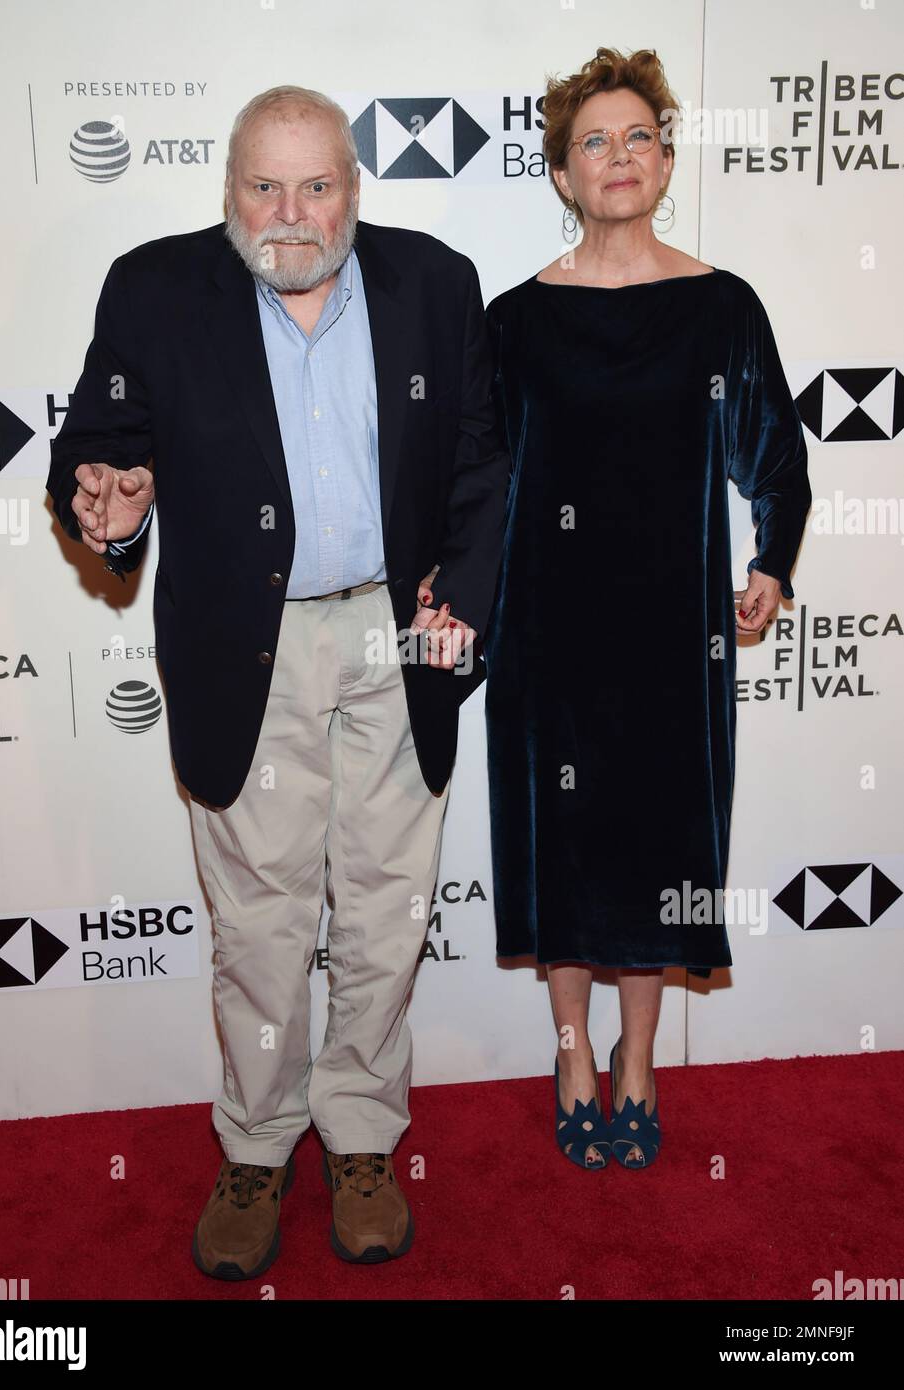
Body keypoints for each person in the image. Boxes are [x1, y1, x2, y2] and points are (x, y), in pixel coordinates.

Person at [46, 85, 508, 1275]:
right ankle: (256, 1146)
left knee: (388, 902)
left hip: (401, 633)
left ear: (355, 188)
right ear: (230, 190)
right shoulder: (154, 289)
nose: (290, 214)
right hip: (248, 645)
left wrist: (457, 588)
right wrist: (107, 499)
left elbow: (480, 462)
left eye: (316, 186)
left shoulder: (436, 283)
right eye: (265, 185)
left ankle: (360, 1137)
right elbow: (98, 443)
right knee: (258, 919)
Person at [420, 47, 811, 1171]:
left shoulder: (722, 308)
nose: (619, 156)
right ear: (560, 172)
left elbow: (774, 457)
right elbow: (476, 477)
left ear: (668, 158)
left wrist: (772, 562)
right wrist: (456, 589)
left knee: (654, 850)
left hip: (671, 637)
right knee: (563, 850)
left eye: (638, 135)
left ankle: (639, 1058)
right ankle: (571, 1049)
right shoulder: (514, 320)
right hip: (547, 634)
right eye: (594, 140)